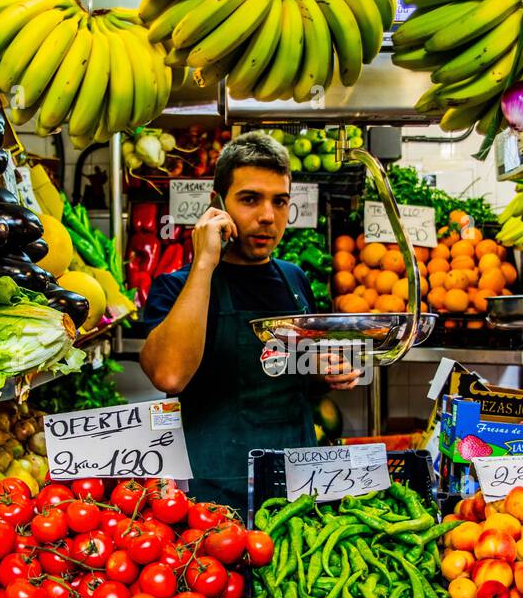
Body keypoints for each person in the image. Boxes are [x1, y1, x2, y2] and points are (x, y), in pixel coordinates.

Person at [139, 131, 360, 513]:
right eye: (250, 199)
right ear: (217, 205)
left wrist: (326, 375)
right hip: (212, 497)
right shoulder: (177, 288)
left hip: (295, 487)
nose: (267, 216)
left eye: (280, 201)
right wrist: (205, 262)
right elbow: (169, 376)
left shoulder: (294, 281)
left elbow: (292, 385)